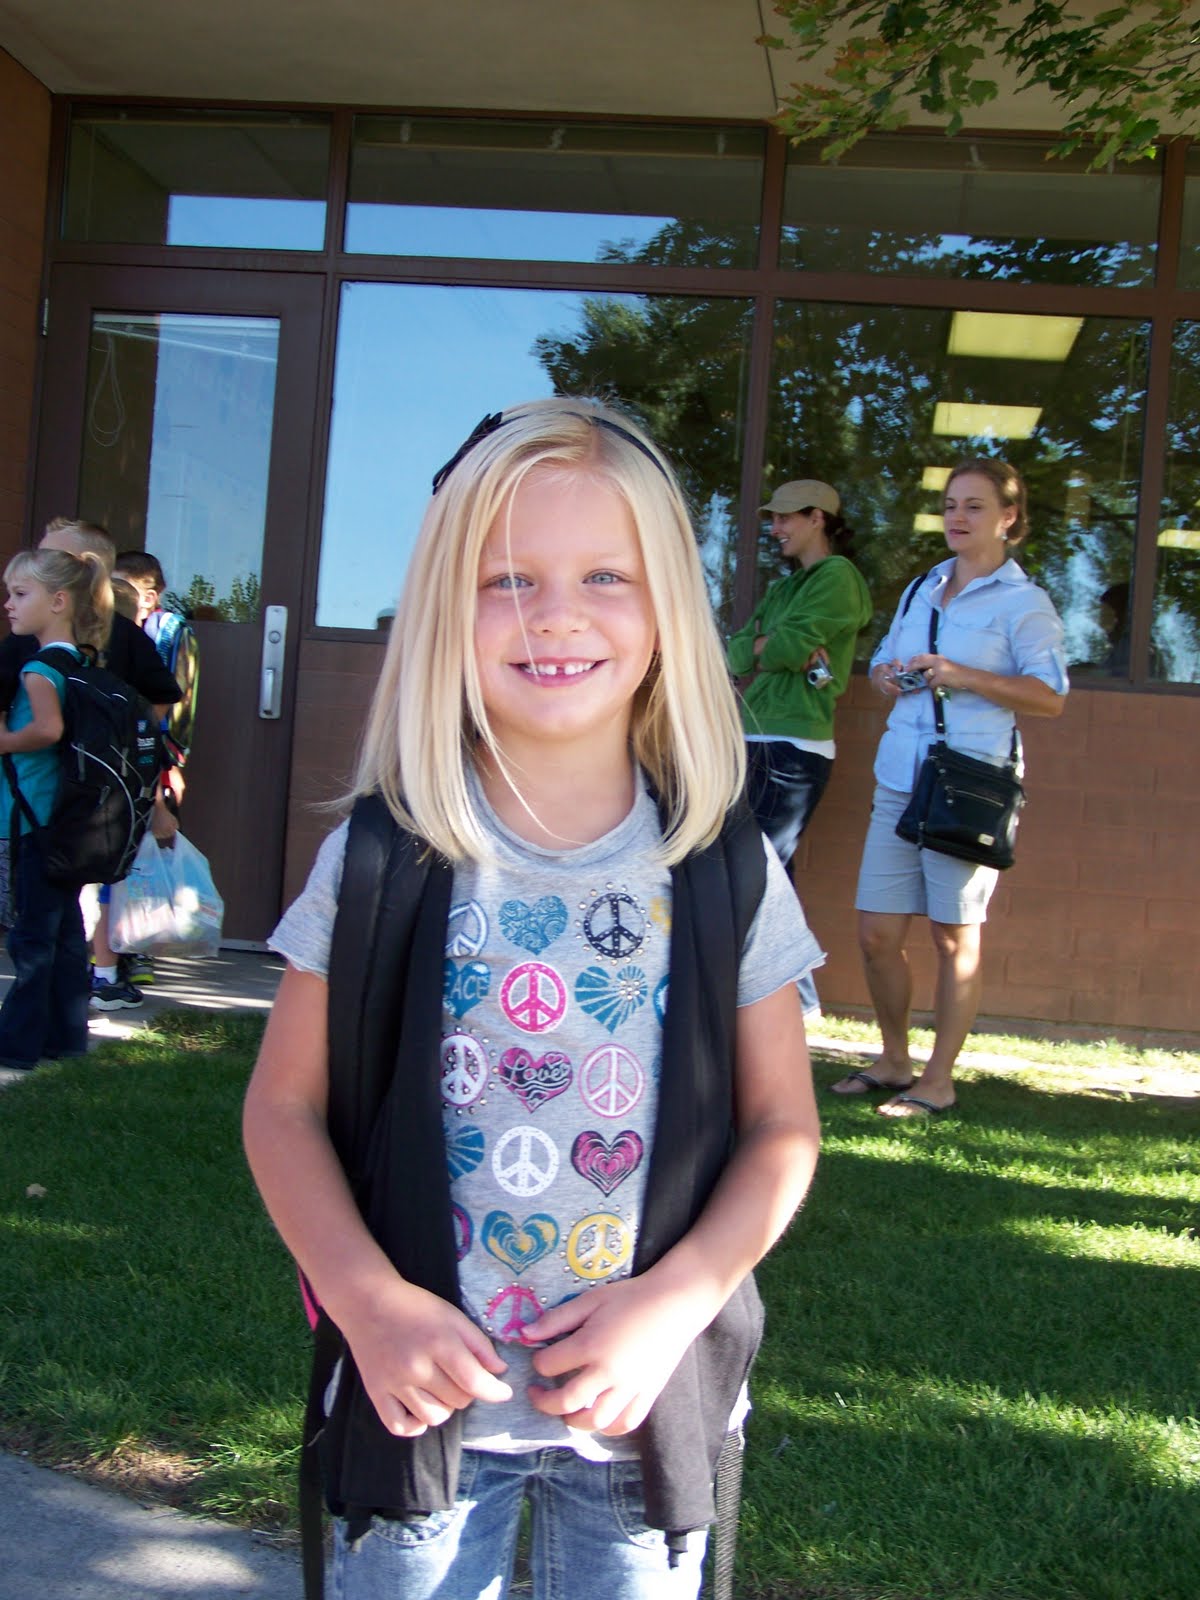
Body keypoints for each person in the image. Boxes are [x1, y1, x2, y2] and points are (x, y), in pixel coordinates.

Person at [243, 398, 822, 1600]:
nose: (556, 613)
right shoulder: (379, 861)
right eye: (508, 579)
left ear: (668, 610)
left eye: (605, 574)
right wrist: (366, 1303)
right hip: (422, 1420)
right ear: (444, 611)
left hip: (641, 1420)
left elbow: (782, 1131)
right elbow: (283, 1112)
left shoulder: (724, 868)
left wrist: (672, 1305)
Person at [834, 457, 1069, 1116]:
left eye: (973, 506)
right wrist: (886, 675)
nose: (958, 517)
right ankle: (893, 1058)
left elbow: (1049, 697)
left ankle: (938, 1080)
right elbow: (886, 656)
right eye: (951, 505)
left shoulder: (1025, 603)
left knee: (953, 938)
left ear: (1008, 518)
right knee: (877, 934)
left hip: (968, 784)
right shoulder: (921, 587)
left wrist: (961, 674)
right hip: (900, 779)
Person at [727, 479, 872, 1021]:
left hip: (794, 744)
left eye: (786, 518)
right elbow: (742, 651)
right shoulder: (788, 587)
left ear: (818, 518)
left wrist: (773, 643)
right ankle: (789, 1000)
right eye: (772, 518)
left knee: (762, 869)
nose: (776, 528)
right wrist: (769, 644)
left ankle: (795, 1002)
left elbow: (782, 646)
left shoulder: (838, 578)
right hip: (754, 731)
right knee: (755, 868)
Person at [0, 547, 113, 1070]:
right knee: (65, 933)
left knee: (32, 937)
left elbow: (47, 730)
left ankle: (16, 1045)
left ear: (59, 600)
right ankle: (66, 1037)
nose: (9, 605)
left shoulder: (40, 669)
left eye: (21, 595)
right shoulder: (82, 659)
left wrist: (3, 739)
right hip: (67, 819)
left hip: (35, 817)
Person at [112, 550, 201, 987]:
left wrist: (170, 763)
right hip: (115, 756)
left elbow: (179, 700)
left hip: (156, 753)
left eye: (142, 595)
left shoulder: (172, 635)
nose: (136, 604)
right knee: (118, 850)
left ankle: (141, 946)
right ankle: (111, 949)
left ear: (155, 595)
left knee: (150, 850)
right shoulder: (111, 631)